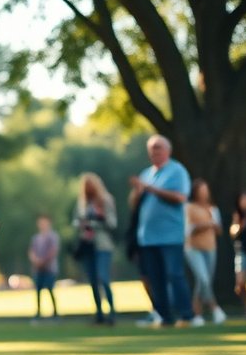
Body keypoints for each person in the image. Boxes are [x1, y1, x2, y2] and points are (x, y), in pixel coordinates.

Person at [129, 135, 193, 328]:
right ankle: (164, 316)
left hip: (170, 235)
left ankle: (186, 315)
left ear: (168, 150)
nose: (154, 152)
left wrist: (151, 189)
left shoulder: (177, 171)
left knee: (174, 274)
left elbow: (180, 197)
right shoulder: (146, 174)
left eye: (158, 147)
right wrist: (138, 191)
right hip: (147, 237)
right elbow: (134, 205)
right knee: (154, 278)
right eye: (151, 148)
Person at [74, 173, 117, 325]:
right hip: (88, 245)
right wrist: (81, 224)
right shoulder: (82, 203)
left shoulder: (105, 200)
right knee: (92, 280)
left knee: (103, 278)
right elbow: (77, 221)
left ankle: (112, 312)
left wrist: (97, 220)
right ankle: (99, 313)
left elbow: (112, 224)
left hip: (102, 245)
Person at [184, 179, 227, 325]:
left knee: (202, 283)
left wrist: (213, 224)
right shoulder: (188, 207)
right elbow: (187, 230)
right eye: (201, 191)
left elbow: (219, 230)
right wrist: (204, 224)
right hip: (193, 248)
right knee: (203, 279)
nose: (204, 194)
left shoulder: (212, 209)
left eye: (206, 191)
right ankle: (215, 309)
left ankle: (197, 315)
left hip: (210, 247)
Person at [28, 215, 60, 318]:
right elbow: (31, 251)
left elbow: (53, 251)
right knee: (38, 290)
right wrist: (35, 260)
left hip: (49, 268)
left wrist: (43, 261)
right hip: (38, 269)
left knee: (50, 288)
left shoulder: (53, 236)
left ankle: (55, 312)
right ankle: (38, 312)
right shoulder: (36, 238)